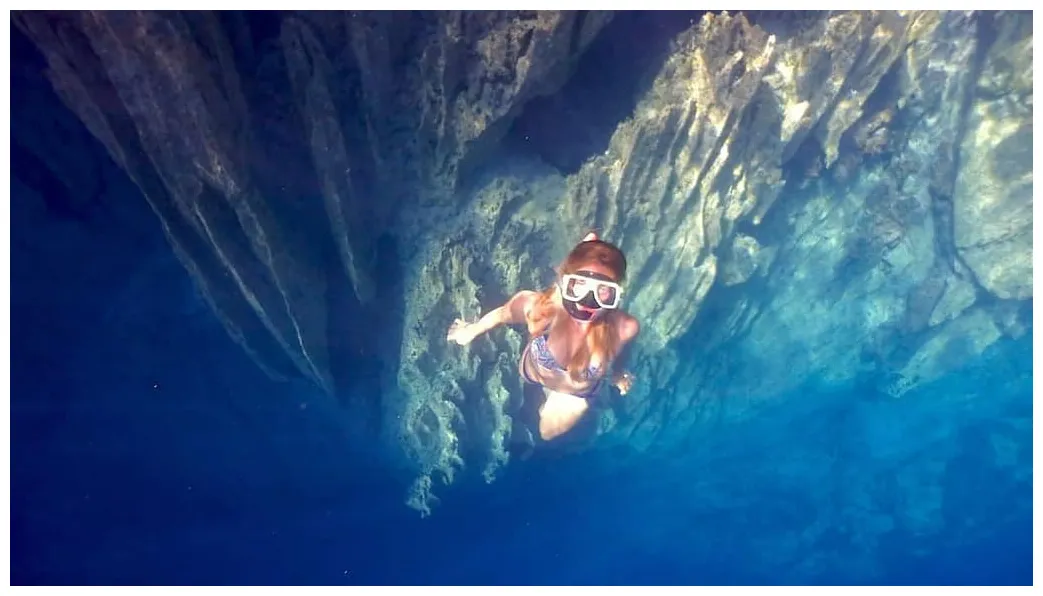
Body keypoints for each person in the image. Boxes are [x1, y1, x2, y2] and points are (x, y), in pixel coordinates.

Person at [447, 232, 640, 441]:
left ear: (616, 295)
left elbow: (620, 354)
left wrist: (618, 374)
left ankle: (585, 253)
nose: (587, 300)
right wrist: (471, 330)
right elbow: (502, 314)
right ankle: (584, 254)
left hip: (574, 393)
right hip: (533, 372)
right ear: (566, 283)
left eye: (603, 290)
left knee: (546, 433)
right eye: (579, 284)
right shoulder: (537, 307)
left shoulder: (624, 327)